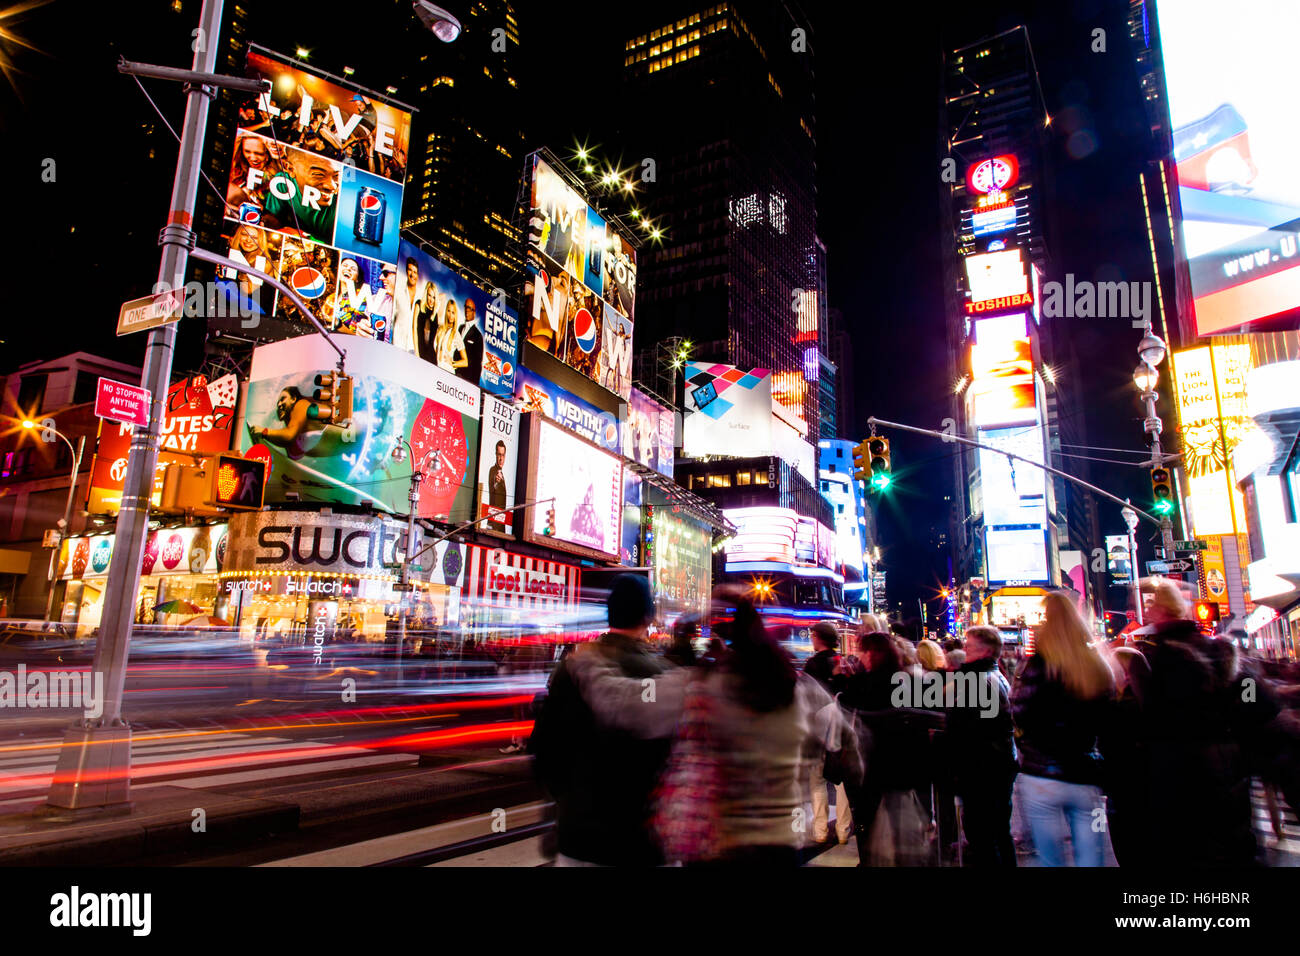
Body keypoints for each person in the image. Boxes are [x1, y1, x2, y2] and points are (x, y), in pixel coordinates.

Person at [569, 596, 838, 866]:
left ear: (717, 640)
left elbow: (625, 702)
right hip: (781, 843)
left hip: (719, 845)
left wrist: (589, 663)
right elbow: (840, 730)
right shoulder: (796, 688)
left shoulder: (700, 685)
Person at [1123, 579, 1278, 866]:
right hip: (1229, 773)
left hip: (1173, 778)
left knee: (1185, 852)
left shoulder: (1148, 660)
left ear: (1155, 611)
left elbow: (1135, 723)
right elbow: (1259, 703)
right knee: (1233, 850)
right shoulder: (1224, 652)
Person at [528, 574, 673, 866]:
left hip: (580, 839)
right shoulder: (662, 675)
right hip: (642, 841)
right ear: (648, 616)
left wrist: (569, 801)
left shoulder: (570, 671)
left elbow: (544, 752)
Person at [1011, 593, 1115, 866]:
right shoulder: (1097, 666)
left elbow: (1019, 713)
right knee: (1092, 856)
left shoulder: (1037, 667)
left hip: (1041, 777)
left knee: (1049, 859)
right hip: (1085, 776)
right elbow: (1108, 720)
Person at [947, 626, 1018, 866]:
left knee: (984, 839)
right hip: (995, 766)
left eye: (969, 645)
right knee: (999, 833)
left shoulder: (979, 682)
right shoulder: (993, 676)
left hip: (982, 770)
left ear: (986, 651)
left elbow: (966, 730)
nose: (964, 648)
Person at [804, 622, 853, 845]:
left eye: (812, 635)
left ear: (818, 637)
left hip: (816, 726)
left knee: (817, 780)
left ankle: (820, 829)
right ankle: (843, 829)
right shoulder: (841, 662)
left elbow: (804, 697)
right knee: (841, 780)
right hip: (840, 725)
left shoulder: (811, 665)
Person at [248, 387, 353, 460]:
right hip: (334, 446)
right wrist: (265, 435)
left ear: (294, 399)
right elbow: (286, 439)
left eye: (282, 399)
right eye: (277, 403)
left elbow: (289, 436)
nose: (279, 404)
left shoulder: (300, 404)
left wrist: (264, 432)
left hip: (343, 436)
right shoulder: (291, 418)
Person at [392, 257, 421, 353]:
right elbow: (392, 318)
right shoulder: (399, 291)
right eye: (410, 270)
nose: (412, 274)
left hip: (413, 348)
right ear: (406, 271)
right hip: (397, 344)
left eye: (415, 272)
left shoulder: (421, 296)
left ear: (418, 274)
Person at [486, 440, 509, 530]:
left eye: (503, 455)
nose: (501, 459)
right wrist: (496, 483)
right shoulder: (493, 470)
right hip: (494, 523)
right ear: (496, 454)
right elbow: (494, 484)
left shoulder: (502, 474)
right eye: (499, 455)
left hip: (500, 522)